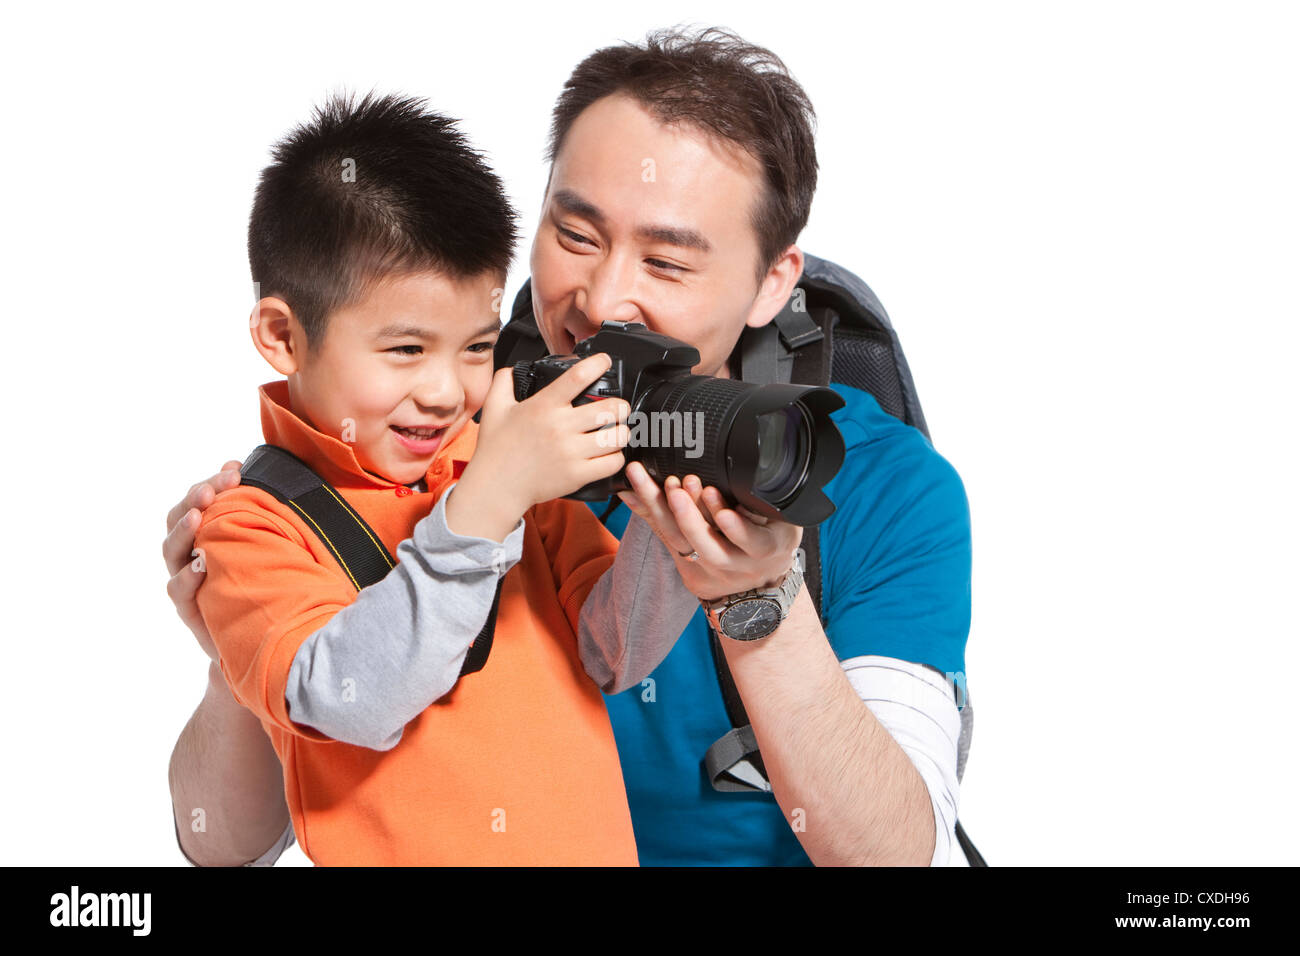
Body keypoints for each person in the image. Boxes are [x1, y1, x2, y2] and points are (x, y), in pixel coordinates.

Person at [165, 27, 971, 867]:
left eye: (665, 261)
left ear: (774, 281)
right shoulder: (443, 450)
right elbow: (223, 846)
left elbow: (898, 857)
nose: (606, 300)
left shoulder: (879, 483)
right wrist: (239, 647)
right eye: (577, 237)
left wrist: (756, 600)